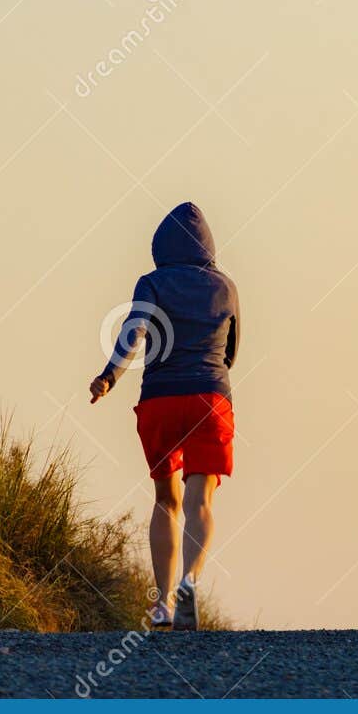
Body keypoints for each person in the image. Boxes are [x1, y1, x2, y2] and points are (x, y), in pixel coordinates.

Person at [89, 202, 239, 630]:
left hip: (160, 400)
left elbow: (132, 331)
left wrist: (108, 377)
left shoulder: (151, 283)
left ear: (160, 246)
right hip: (210, 398)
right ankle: (191, 580)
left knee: (165, 500)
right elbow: (232, 352)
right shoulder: (225, 287)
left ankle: (163, 604)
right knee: (200, 498)